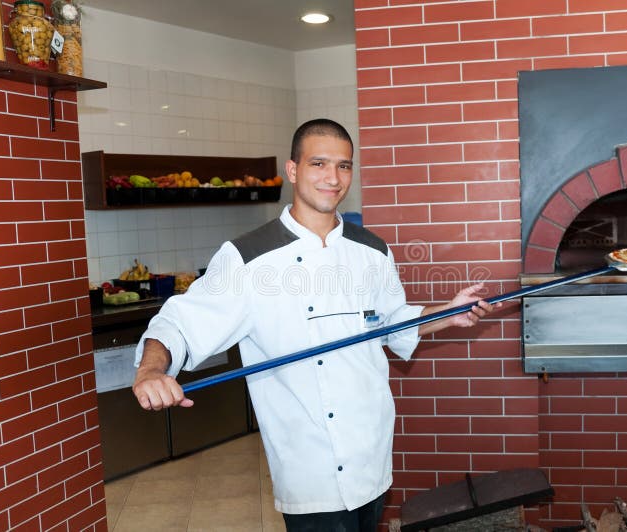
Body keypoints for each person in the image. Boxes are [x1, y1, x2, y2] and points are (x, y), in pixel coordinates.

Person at [132, 118, 498, 531]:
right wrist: (151, 370)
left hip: (371, 453)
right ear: (293, 170)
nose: (333, 177)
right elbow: (180, 321)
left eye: (343, 166)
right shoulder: (248, 257)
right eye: (319, 163)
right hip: (307, 466)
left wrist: (448, 313)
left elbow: (395, 325)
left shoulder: (373, 251)